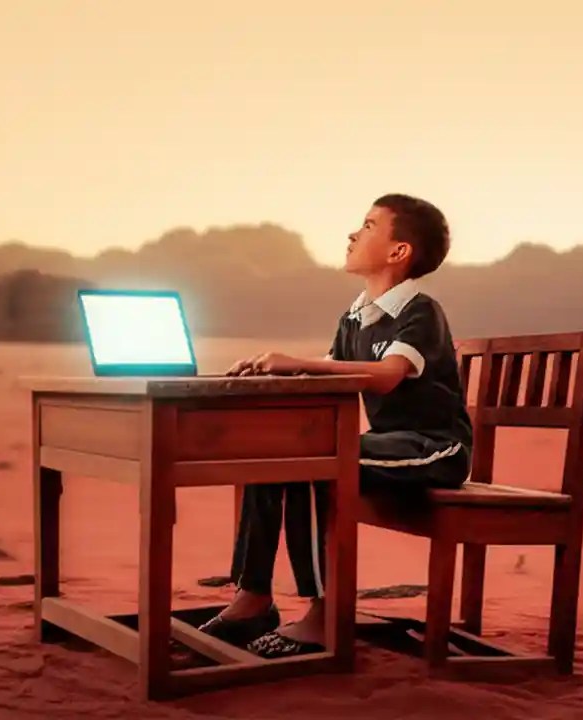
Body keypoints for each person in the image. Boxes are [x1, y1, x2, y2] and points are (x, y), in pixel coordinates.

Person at [199, 193, 474, 658]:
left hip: (436, 448)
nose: (352, 233)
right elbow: (327, 374)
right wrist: (278, 371)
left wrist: (296, 361)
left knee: (318, 461)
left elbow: (387, 377)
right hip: (386, 445)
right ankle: (253, 595)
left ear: (398, 251)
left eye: (367, 225)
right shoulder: (354, 318)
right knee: (272, 455)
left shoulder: (420, 312)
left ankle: (327, 610)